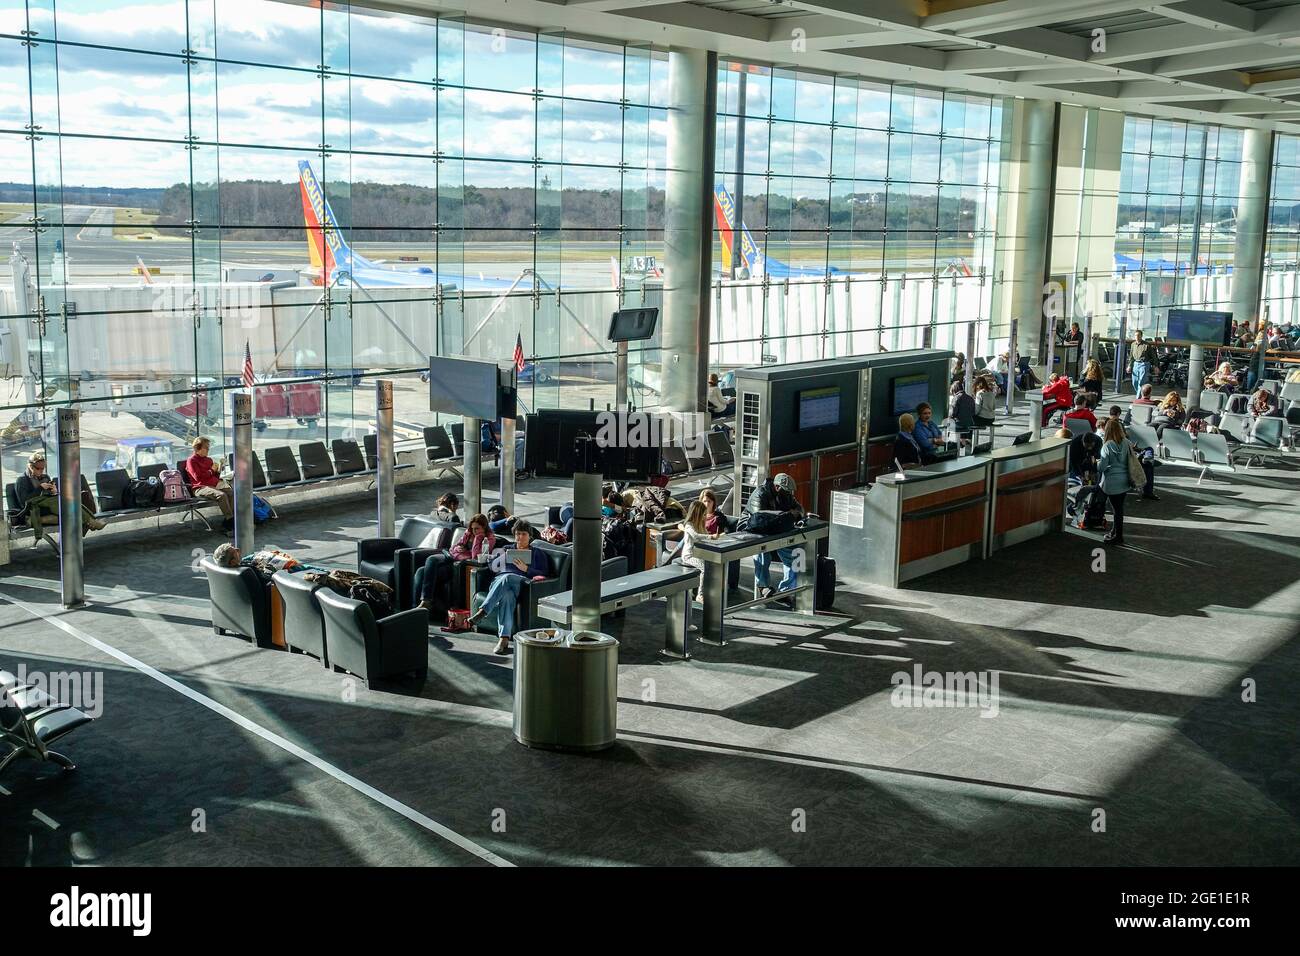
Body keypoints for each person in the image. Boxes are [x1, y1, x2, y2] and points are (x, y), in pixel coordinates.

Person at [466, 520, 549, 655]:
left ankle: (483, 611)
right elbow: (492, 567)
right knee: (507, 596)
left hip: (521, 583)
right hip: (500, 581)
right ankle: (503, 639)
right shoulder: (506, 548)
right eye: (517, 534)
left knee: (508, 578)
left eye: (523, 534)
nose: (520, 537)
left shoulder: (538, 553)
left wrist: (526, 569)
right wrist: (499, 557)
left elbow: (544, 573)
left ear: (530, 536)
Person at [413, 512, 496, 616]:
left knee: (421, 571)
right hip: (453, 557)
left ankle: (424, 604)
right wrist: (459, 548)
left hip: (459, 566)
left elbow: (476, 556)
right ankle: (420, 605)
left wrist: (478, 538)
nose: (474, 531)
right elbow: (454, 547)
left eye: (477, 529)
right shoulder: (468, 533)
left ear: (484, 527)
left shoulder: (489, 538)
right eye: (473, 528)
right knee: (428, 563)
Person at [16, 451, 105, 538]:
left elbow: (49, 495)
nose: (41, 471)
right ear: (30, 466)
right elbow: (24, 501)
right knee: (64, 504)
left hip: (47, 507)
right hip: (33, 509)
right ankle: (91, 522)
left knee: (68, 513)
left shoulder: (45, 477)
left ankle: (34, 521)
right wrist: (40, 488)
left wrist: (54, 491)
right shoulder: (22, 480)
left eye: (42, 468)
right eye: (38, 468)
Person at [746, 472, 805, 599]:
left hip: (776, 528)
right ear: (777, 487)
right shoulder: (760, 494)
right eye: (787, 491)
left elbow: (799, 509)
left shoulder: (786, 495)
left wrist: (791, 515)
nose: (790, 494)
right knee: (762, 552)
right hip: (753, 529)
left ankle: (786, 590)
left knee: (793, 553)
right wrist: (787, 515)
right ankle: (763, 586)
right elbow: (759, 519)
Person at [185, 436, 234, 531]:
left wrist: (219, 468)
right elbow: (197, 477)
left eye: (208, 447)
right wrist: (212, 470)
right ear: (198, 448)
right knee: (221, 495)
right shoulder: (191, 460)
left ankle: (229, 520)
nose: (208, 449)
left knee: (231, 492)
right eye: (206, 447)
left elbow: (215, 477)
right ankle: (230, 521)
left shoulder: (209, 460)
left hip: (213, 485)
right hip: (200, 487)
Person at [1097, 417, 1133, 546]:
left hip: (1111, 482)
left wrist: (1095, 464)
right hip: (1125, 481)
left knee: (1116, 510)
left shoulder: (1107, 446)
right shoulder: (1127, 443)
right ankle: (1114, 532)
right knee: (1119, 508)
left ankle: (1118, 536)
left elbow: (1102, 467)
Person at [675, 500, 719, 599]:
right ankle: (700, 594)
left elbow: (704, 535)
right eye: (703, 514)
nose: (704, 516)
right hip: (689, 555)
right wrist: (711, 537)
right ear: (697, 514)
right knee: (704, 567)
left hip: (699, 553)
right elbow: (695, 536)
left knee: (713, 564)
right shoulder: (689, 525)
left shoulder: (699, 524)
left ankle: (711, 590)